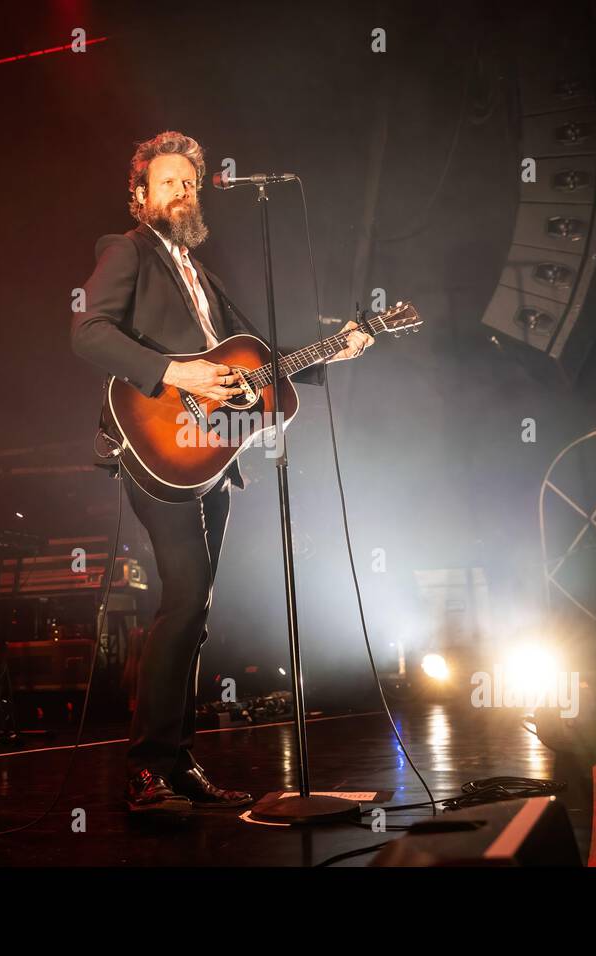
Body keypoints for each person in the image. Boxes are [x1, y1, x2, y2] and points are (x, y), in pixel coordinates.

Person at [71, 131, 374, 815]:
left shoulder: (202, 274)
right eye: (168, 182)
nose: (182, 192)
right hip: (156, 444)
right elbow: (87, 332)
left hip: (211, 452)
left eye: (190, 182)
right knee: (181, 604)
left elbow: (254, 364)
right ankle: (146, 769)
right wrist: (176, 370)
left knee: (197, 611)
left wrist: (336, 349)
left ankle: (177, 761)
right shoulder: (128, 251)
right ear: (140, 194)